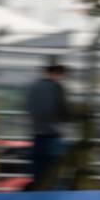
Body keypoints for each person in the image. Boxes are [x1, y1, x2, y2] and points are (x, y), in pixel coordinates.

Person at [25, 59, 75, 190]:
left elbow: (28, 108)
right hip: (54, 137)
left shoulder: (34, 87)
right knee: (55, 175)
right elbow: (65, 112)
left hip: (37, 135)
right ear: (57, 73)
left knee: (39, 175)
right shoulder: (57, 87)